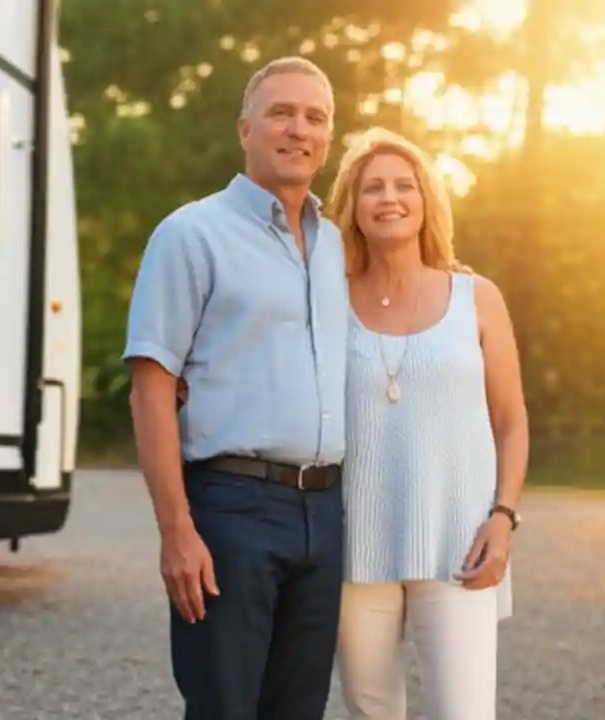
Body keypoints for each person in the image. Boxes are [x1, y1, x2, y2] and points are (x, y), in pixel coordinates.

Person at [123, 56, 349, 720]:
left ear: (329, 139)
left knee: (298, 709)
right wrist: (176, 531)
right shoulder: (192, 234)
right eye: (281, 112)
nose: (297, 129)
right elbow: (151, 387)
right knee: (224, 706)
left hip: (326, 513)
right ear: (245, 129)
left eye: (315, 117)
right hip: (232, 509)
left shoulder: (340, 247)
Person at [324, 126, 530, 720]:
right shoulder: (326, 300)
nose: (389, 198)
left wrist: (504, 517)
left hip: (460, 541)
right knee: (370, 712)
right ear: (353, 207)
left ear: (425, 201)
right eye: (373, 188)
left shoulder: (477, 297)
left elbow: (511, 420)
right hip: (355, 545)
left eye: (403, 185)